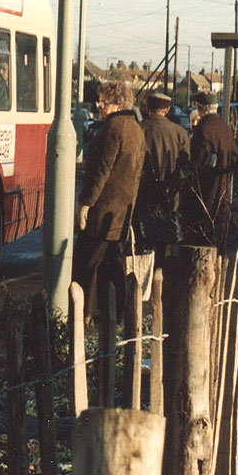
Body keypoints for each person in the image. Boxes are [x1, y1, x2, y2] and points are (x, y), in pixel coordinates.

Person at [73, 81, 146, 318]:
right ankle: (115, 320)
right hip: (122, 213)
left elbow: (100, 172)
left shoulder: (113, 129)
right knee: (112, 267)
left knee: (85, 268)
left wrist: (86, 203)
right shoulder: (136, 129)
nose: (99, 107)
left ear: (117, 104)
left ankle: (80, 319)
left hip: (102, 212)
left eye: (103, 102)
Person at [134, 91, 190, 265]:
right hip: (169, 197)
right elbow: (185, 167)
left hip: (143, 196)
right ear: (166, 110)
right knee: (165, 245)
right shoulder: (180, 132)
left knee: (142, 243)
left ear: (147, 108)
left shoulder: (138, 130)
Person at [182, 91, 238, 247]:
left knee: (202, 237)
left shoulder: (203, 129)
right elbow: (235, 156)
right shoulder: (225, 128)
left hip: (206, 190)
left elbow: (197, 163)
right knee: (219, 235)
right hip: (223, 188)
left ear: (199, 108)